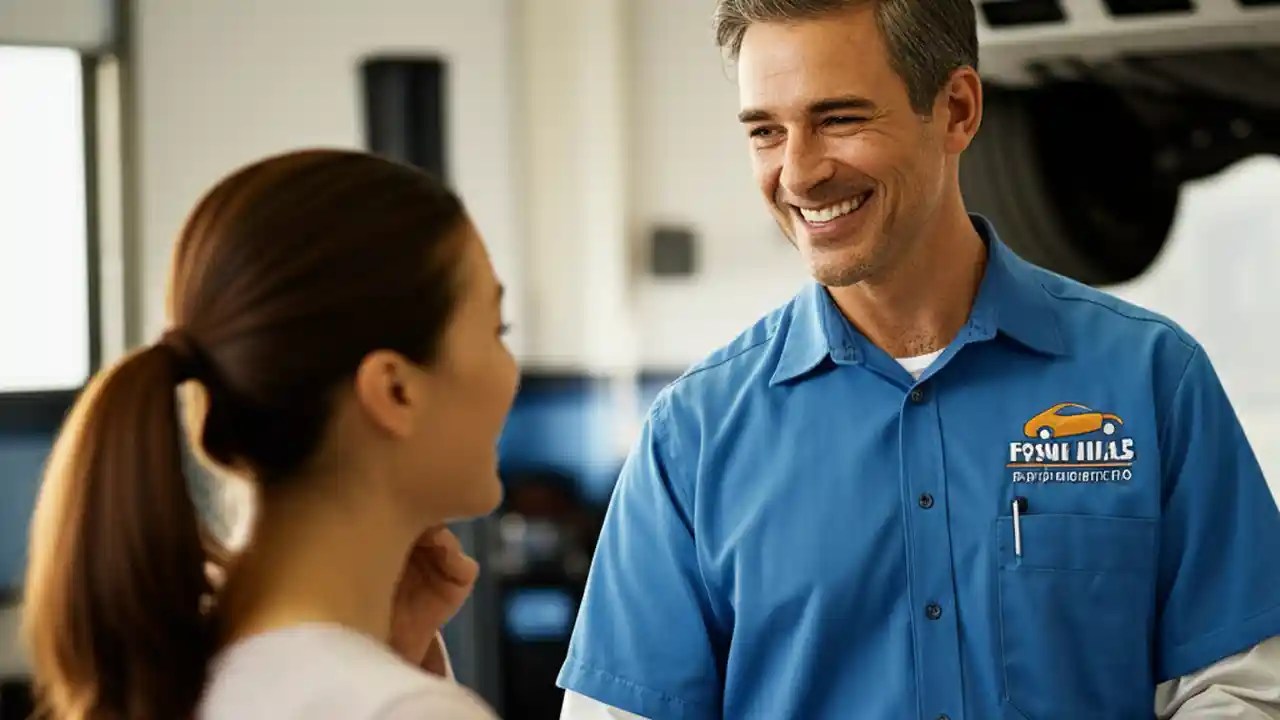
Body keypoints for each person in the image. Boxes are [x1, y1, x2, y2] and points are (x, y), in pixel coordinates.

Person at [557, 1, 1280, 719]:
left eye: (839, 119)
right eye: (766, 131)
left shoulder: (1150, 379)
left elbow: (1238, 689)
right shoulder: (694, 434)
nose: (798, 174)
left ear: (957, 110)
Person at [22, 149, 515, 719]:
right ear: (395, 390)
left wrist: (386, 657)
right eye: (497, 330)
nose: (511, 371)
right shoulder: (399, 710)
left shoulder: (180, 674)